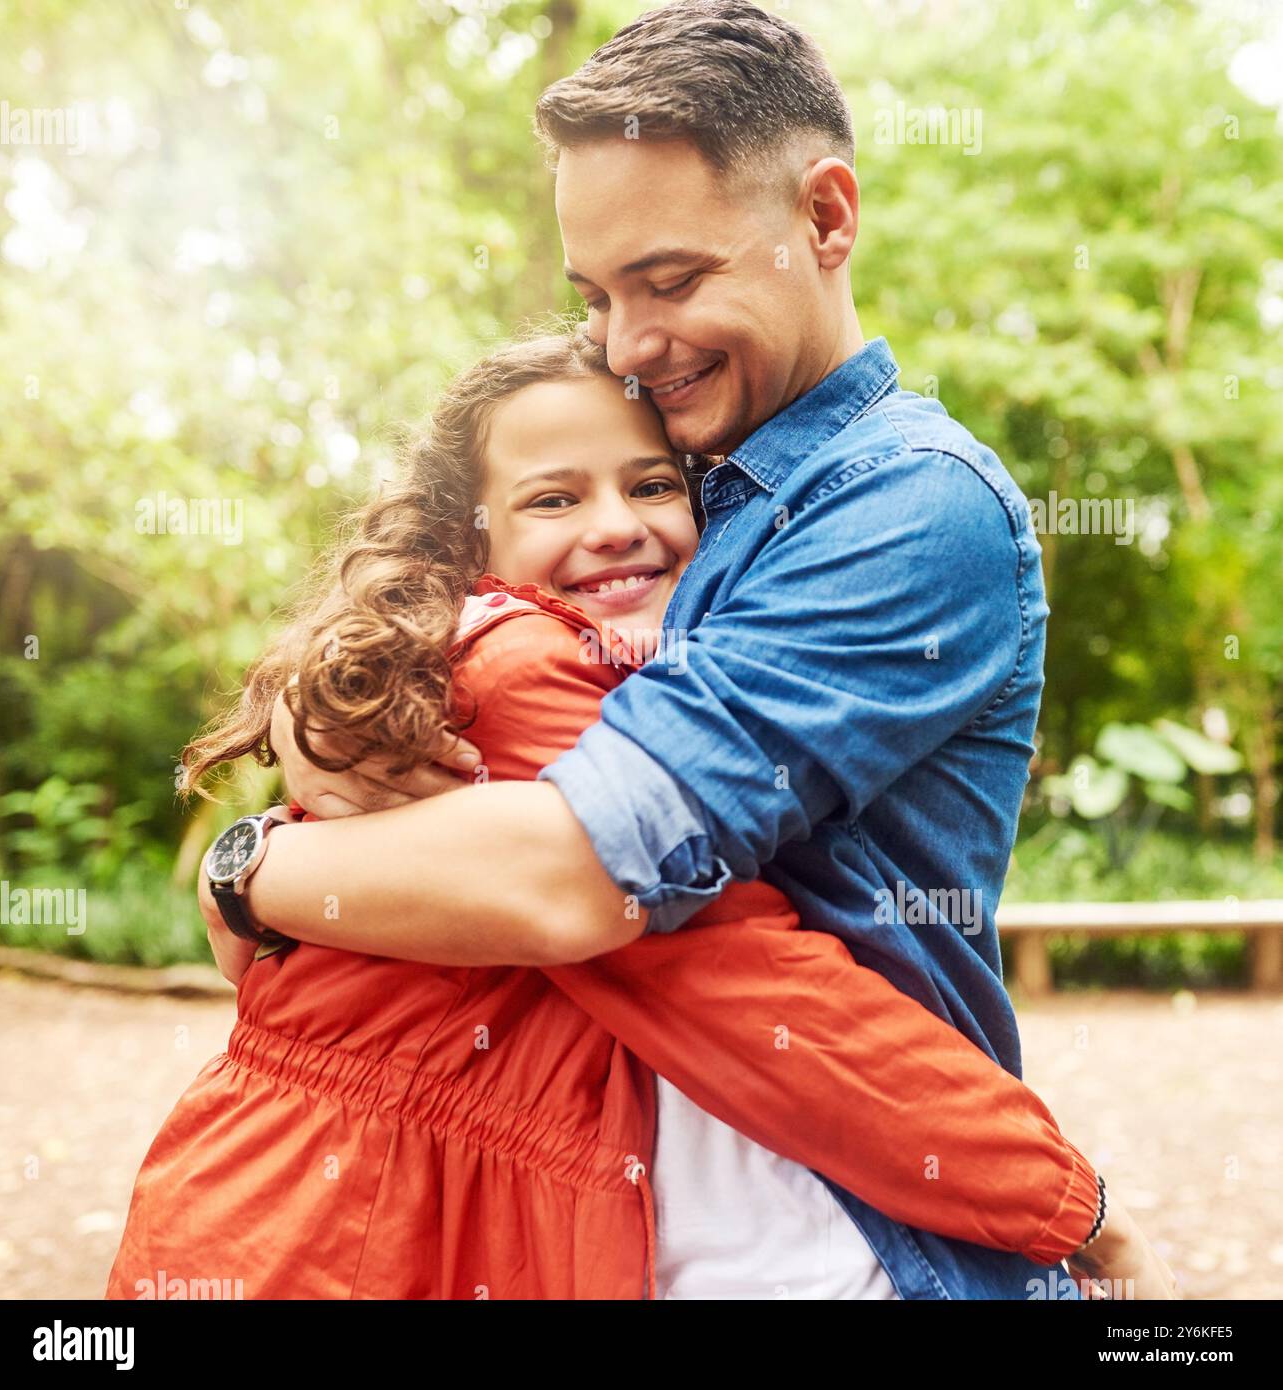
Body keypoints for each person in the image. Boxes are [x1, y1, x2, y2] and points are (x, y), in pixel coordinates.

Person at [196, 3, 1180, 1299]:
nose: (627, 343)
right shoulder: (675, 493)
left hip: (847, 1240)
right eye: (597, 296)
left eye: (669, 280)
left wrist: (256, 868)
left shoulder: (909, 505)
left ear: (828, 219)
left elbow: (579, 882)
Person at [113, 330, 1136, 1300]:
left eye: (651, 484)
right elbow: (750, 994)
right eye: (553, 498)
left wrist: (247, 871)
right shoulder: (516, 669)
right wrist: (1063, 1201)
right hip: (324, 1227)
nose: (614, 524)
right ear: (470, 544)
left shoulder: (548, 675)